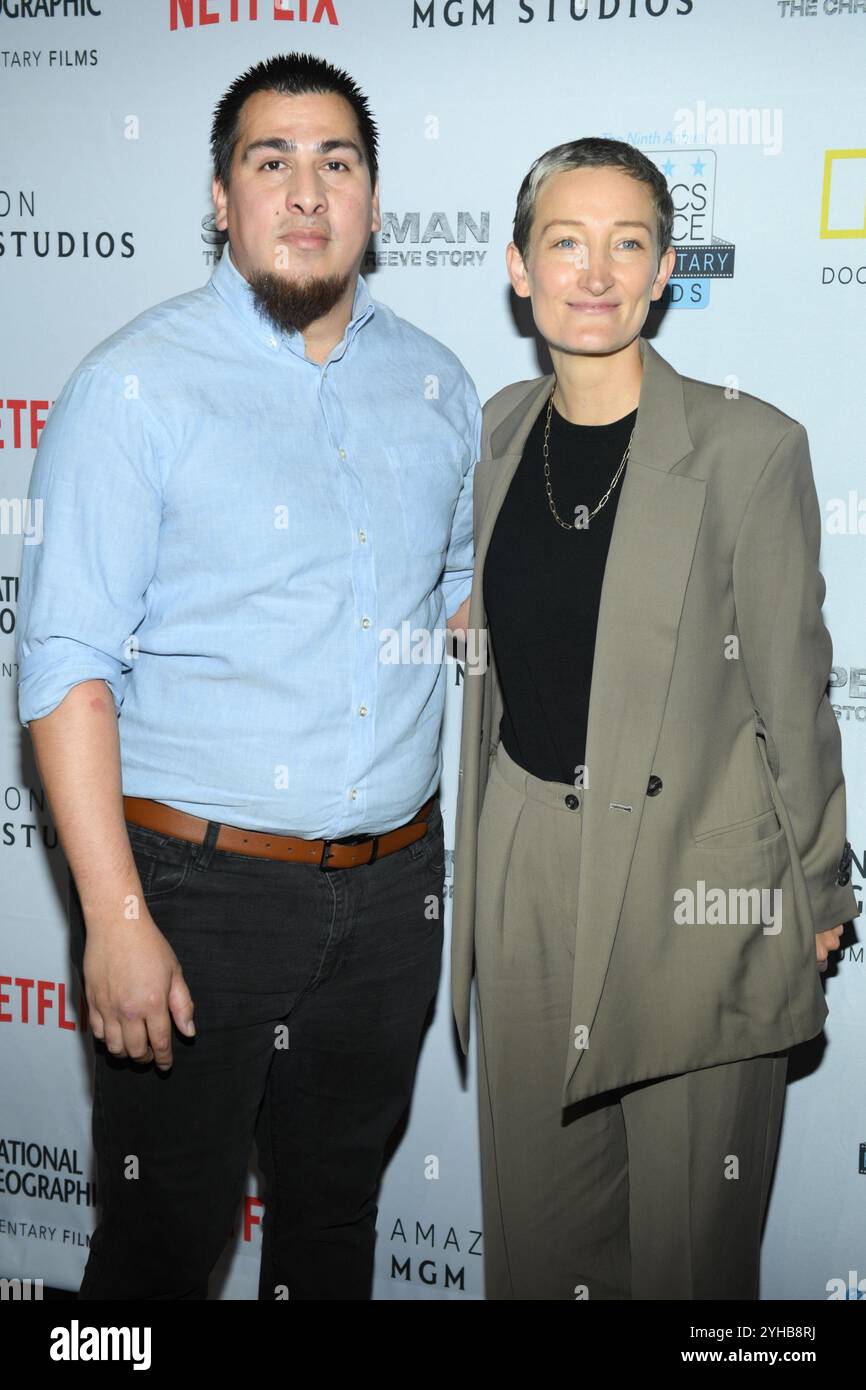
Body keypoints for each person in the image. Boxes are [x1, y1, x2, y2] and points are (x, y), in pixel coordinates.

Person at [16, 51, 480, 1301]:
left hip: (392, 900)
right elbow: (64, 665)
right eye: (269, 161)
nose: (305, 189)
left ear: (374, 200)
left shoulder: (438, 384)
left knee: (330, 1236)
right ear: (221, 198)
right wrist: (113, 920)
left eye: (336, 161)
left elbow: (451, 604)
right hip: (192, 894)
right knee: (156, 1259)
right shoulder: (134, 386)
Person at [450, 137, 858, 1301]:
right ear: (518, 270)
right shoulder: (494, 431)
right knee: (534, 1246)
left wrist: (817, 895)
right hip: (526, 864)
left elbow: (793, 695)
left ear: (664, 268)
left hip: (695, 882)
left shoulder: (747, 447)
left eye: (625, 243)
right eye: (562, 242)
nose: (593, 271)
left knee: (688, 1256)